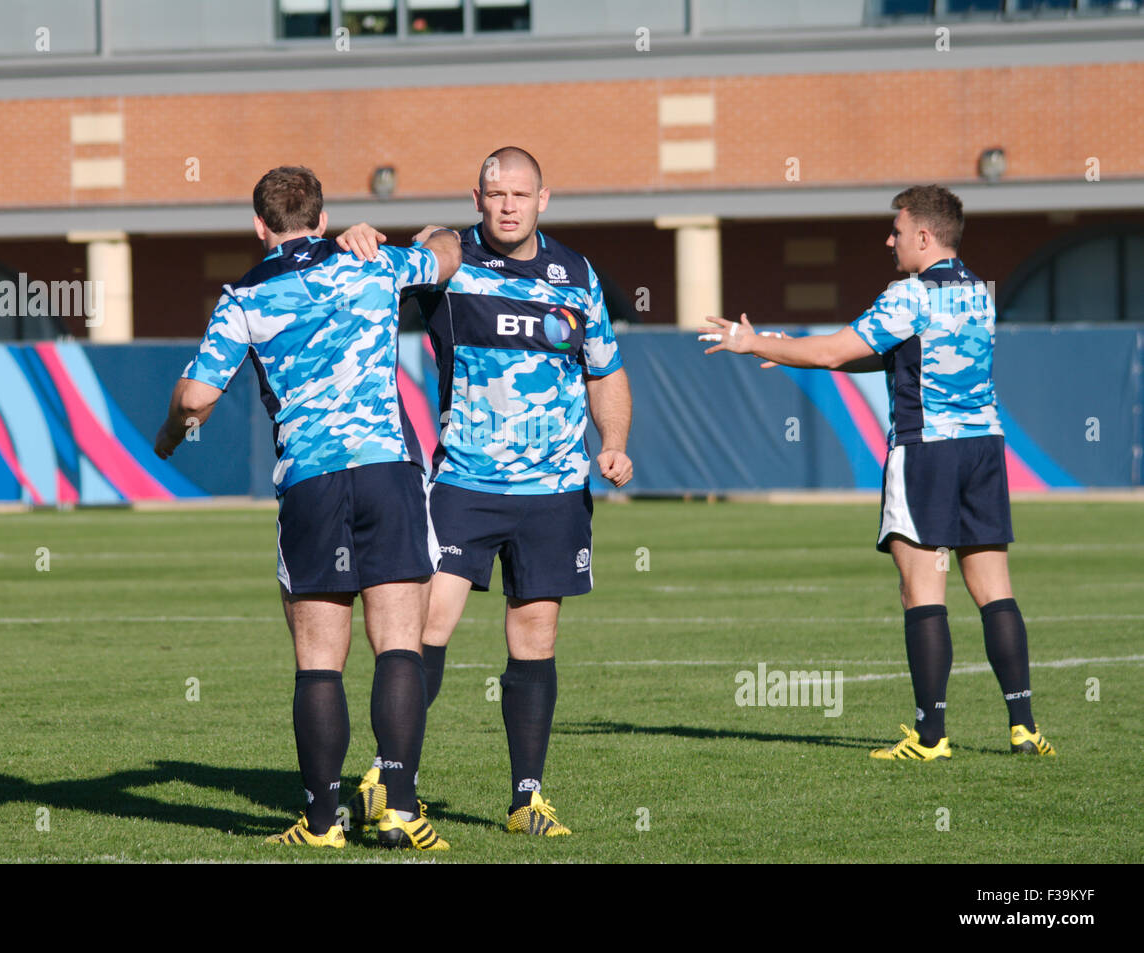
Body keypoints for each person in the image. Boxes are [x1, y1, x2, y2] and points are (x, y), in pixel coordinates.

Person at [153, 165, 462, 848]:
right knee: (399, 645)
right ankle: (402, 811)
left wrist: (171, 434)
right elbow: (448, 252)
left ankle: (323, 822)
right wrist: (411, 234)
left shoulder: (244, 296)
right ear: (323, 219)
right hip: (388, 469)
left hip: (312, 482)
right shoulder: (375, 263)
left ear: (259, 227)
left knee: (320, 660)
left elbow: (196, 397)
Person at [336, 146, 634, 833]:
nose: (507, 206)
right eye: (495, 194)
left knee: (535, 634)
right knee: (423, 625)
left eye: (519, 195)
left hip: (556, 489)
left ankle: (526, 796)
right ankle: (392, 777)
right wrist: (357, 237)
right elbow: (401, 260)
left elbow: (605, 371)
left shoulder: (575, 274)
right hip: (463, 483)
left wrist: (613, 443)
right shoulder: (451, 259)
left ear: (543, 200)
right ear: (477, 198)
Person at [701, 184, 1054, 762]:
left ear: (923, 235)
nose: (888, 239)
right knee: (995, 592)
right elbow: (888, 351)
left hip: (926, 452)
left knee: (921, 592)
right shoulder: (977, 293)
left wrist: (753, 341)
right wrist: (793, 346)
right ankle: (1024, 728)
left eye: (896, 229)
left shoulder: (908, 294)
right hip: (984, 449)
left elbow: (837, 352)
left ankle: (931, 738)